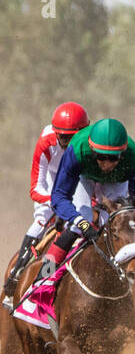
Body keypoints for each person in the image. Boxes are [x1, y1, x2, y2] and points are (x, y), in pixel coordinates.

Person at [14, 118, 135, 323]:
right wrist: (83, 224)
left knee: (117, 224)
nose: (106, 164)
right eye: (101, 157)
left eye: (113, 158)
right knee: (79, 222)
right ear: (92, 150)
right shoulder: (77, 150)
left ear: (123, 153)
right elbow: (59, 198)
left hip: (117, 182)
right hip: (83, 177)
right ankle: (43, 285)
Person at [3, 101, 90, 308]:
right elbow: (36, 188)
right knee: (42, 221)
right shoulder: (45, 144)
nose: (67, 143)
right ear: (55, 133)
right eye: (62, 137)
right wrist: (57, 202)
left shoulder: (90, 145)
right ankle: (16, 278)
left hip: (79, 183)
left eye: (72, 138)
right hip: (53, 187)